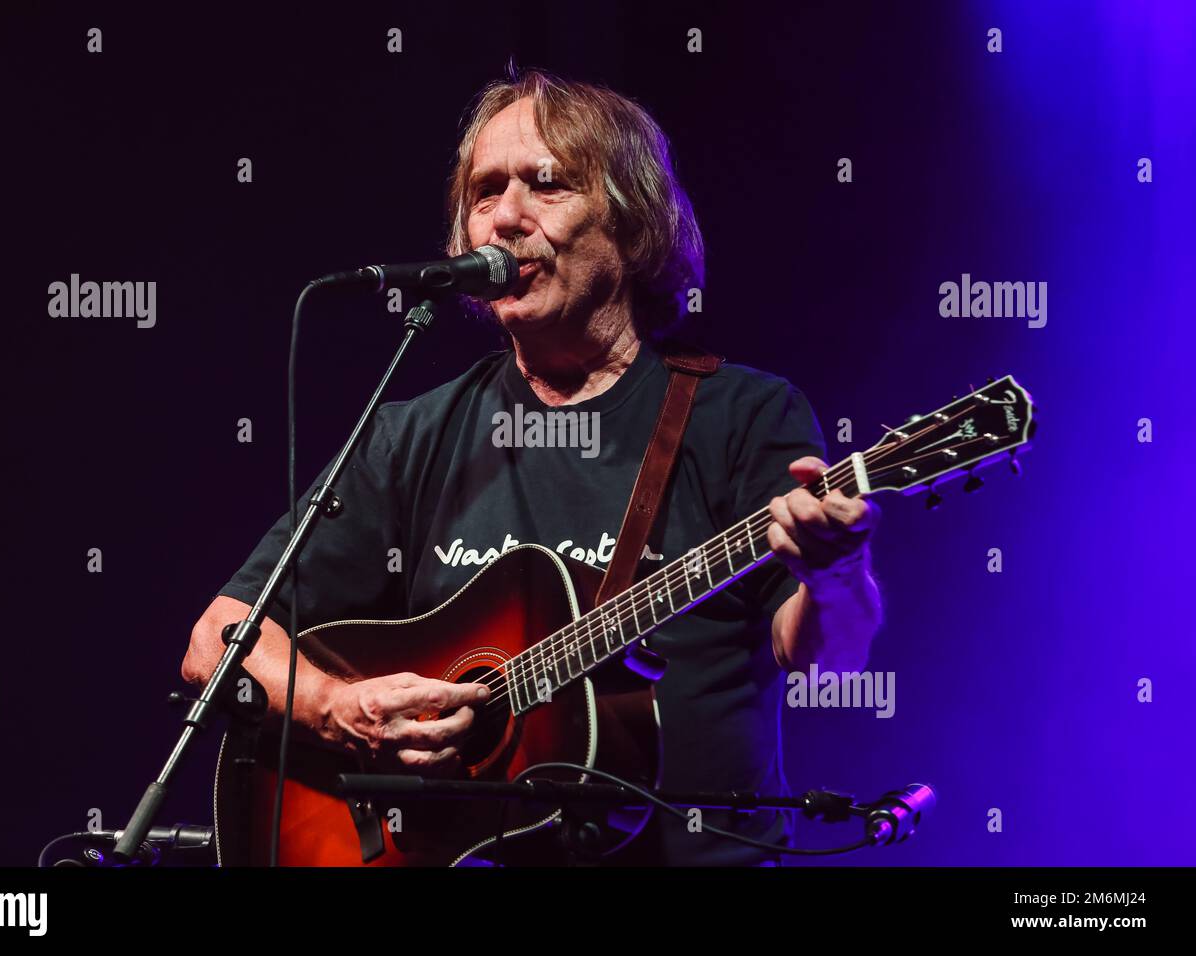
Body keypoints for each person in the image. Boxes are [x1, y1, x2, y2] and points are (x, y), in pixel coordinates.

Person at [181, 68, 883, 865]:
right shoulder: (412, 433)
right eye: (486, 191)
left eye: (546, 184)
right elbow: (221, 642)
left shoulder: (744, 416)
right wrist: (340, 706)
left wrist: (837, 573)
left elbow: (830, 654)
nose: (507, 217)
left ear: (632, 220)